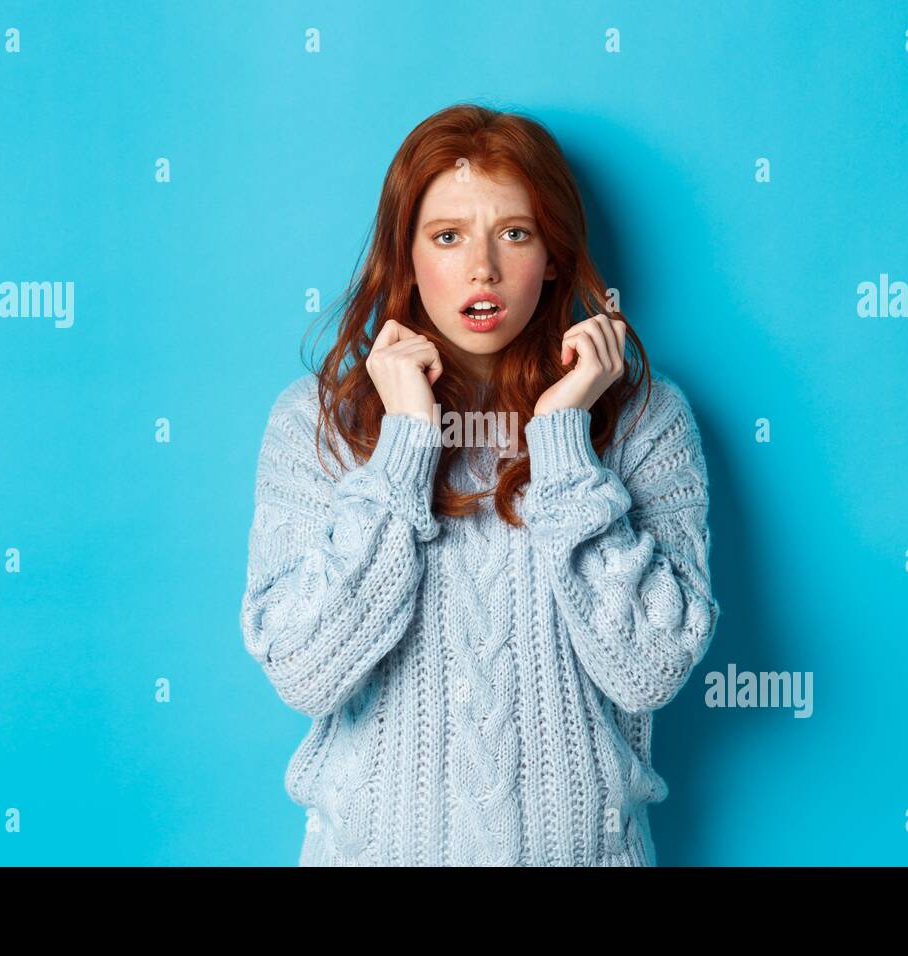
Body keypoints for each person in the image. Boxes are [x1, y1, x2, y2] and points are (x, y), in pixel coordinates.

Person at [240, 102, 720, 866]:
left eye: (515, 233)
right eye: (448, 235)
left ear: (554, 254)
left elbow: (651, 668)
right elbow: (304, 670)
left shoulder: (641, 419)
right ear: (406, 256)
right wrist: (403, 446)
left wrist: (563, 442)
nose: (482, 268)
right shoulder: (319, 421)